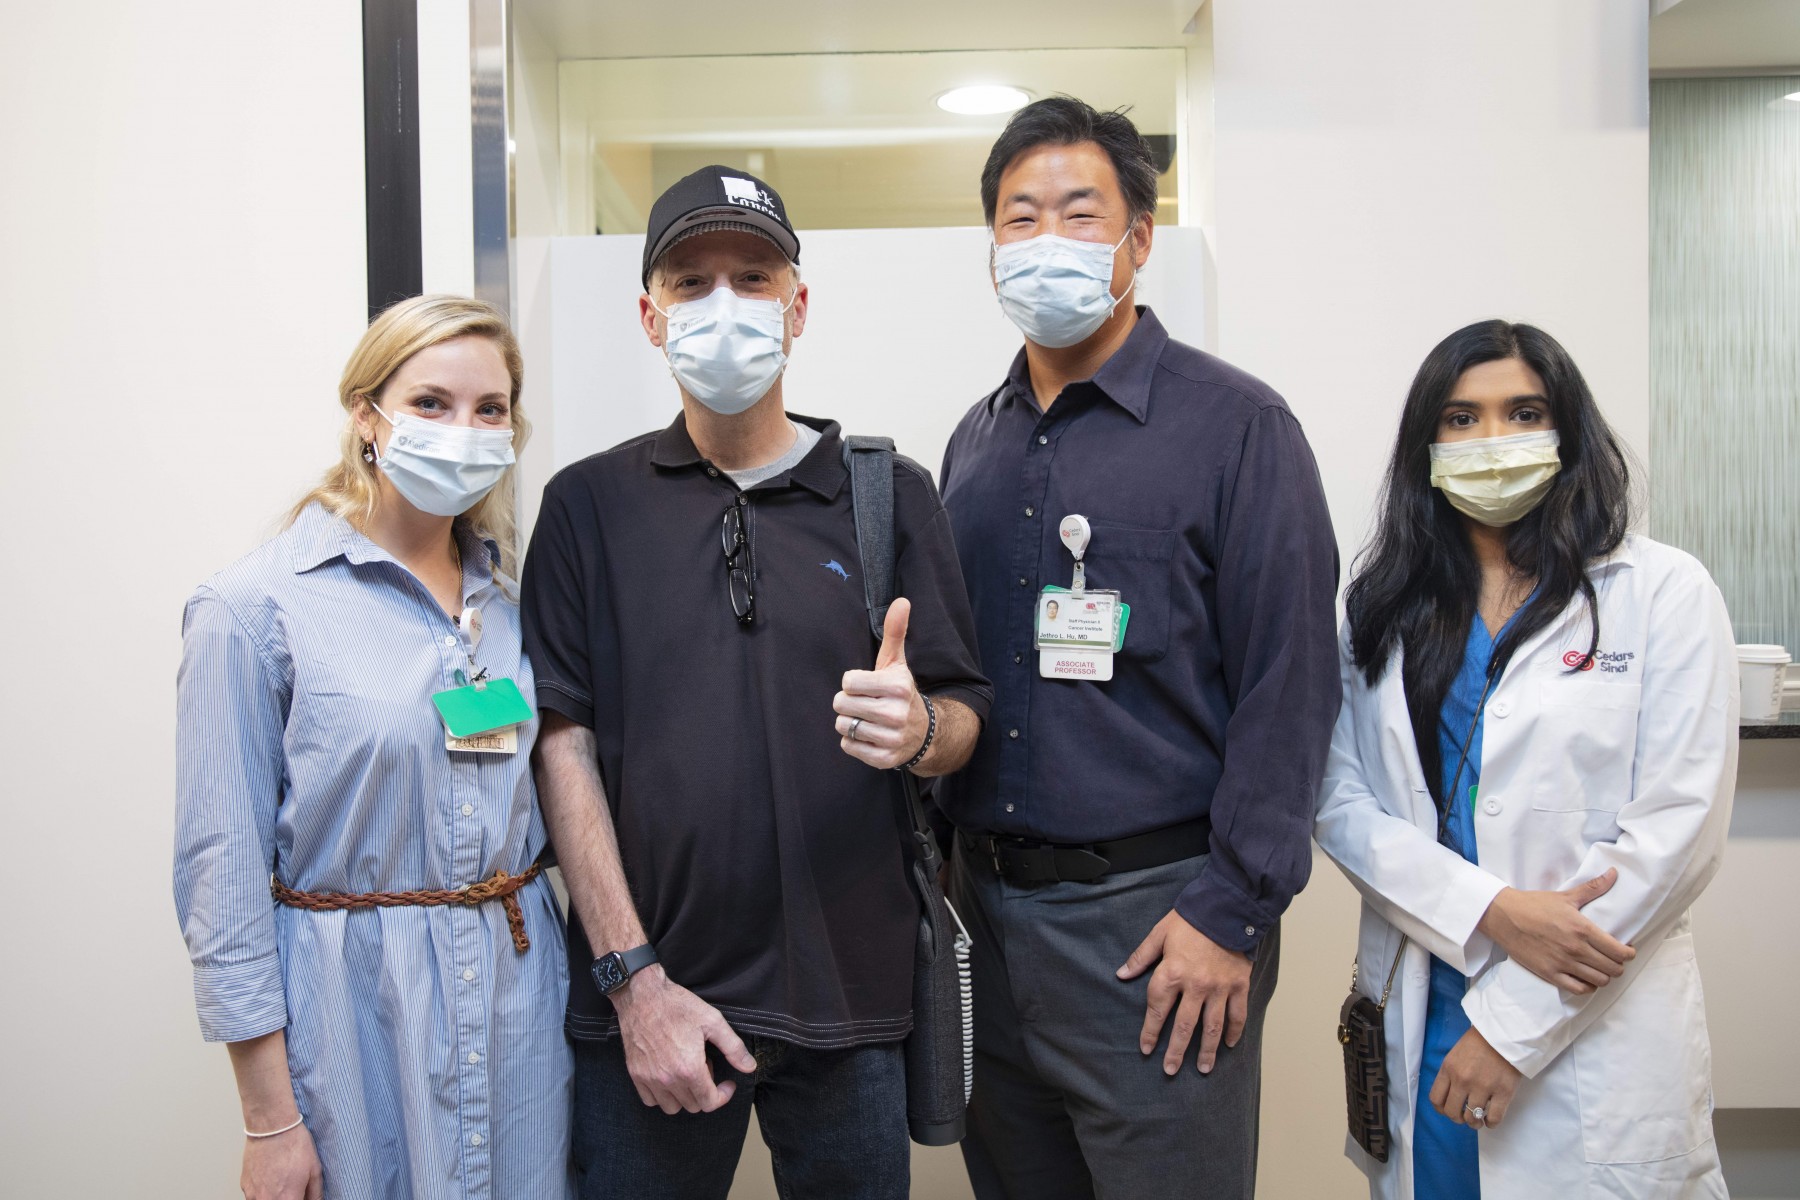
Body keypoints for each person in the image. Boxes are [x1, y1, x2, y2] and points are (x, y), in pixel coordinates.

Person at [521, 165, 992, 1200]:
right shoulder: (587, 509)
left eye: (753, 275)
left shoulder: (889, 495)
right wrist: (634, 984)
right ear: (651, 318)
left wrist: (922, 731)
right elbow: (563, 751)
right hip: (649, 1007)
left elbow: (966, 719)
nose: (723, 304)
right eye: (691, 283)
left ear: (799, 306)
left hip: (851, 1009)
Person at [936, 98, 1341, 1199]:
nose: (1048, 240)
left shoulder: (1237, 428)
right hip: (988, 920)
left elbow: (1290, 688)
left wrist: (1231, 913)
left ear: (1138, 240)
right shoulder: (972, 444)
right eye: (1021, 218)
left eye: (1080, 212)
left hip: (1157, 924)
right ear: (991, 250)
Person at [1314, 319, 1737, 1199]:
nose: (1492, 441)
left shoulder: (1662, 592)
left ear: (1568, 433)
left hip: (1588, 1015)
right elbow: (1340, 801)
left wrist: (1510, 1030)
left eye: (1523, 412)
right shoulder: (1380, 607)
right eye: (1462, 419)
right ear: (1426, 444)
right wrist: (1494, 910)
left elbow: (1675, 834)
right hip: (1428, 1001)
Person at [173, 295, 571, 1200]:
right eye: (430, 403)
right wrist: (269, 1122)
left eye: (490, 410)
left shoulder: (509, 605)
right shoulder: (253, 611)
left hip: (517, 1010)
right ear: (366, 414)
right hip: (354, 1020)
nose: (463, 429)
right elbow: (220, 881)